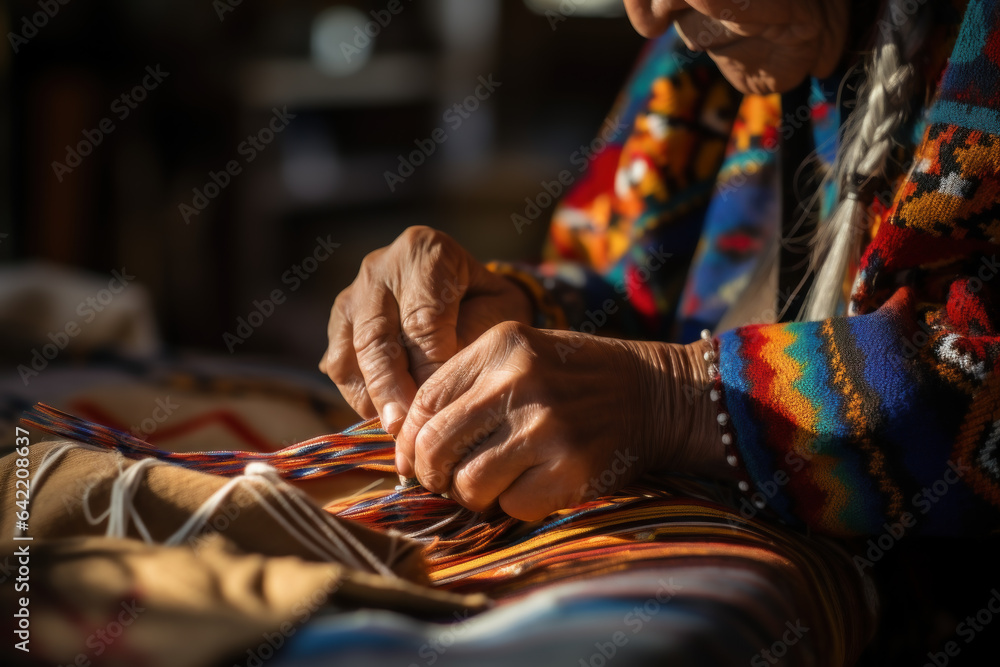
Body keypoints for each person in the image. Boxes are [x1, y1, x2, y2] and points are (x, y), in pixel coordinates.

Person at [320, 0, 1000, 537]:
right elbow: (620, 287)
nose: (647, 15)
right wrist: (509, 312)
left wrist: (675, 401)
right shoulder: (702, 54)